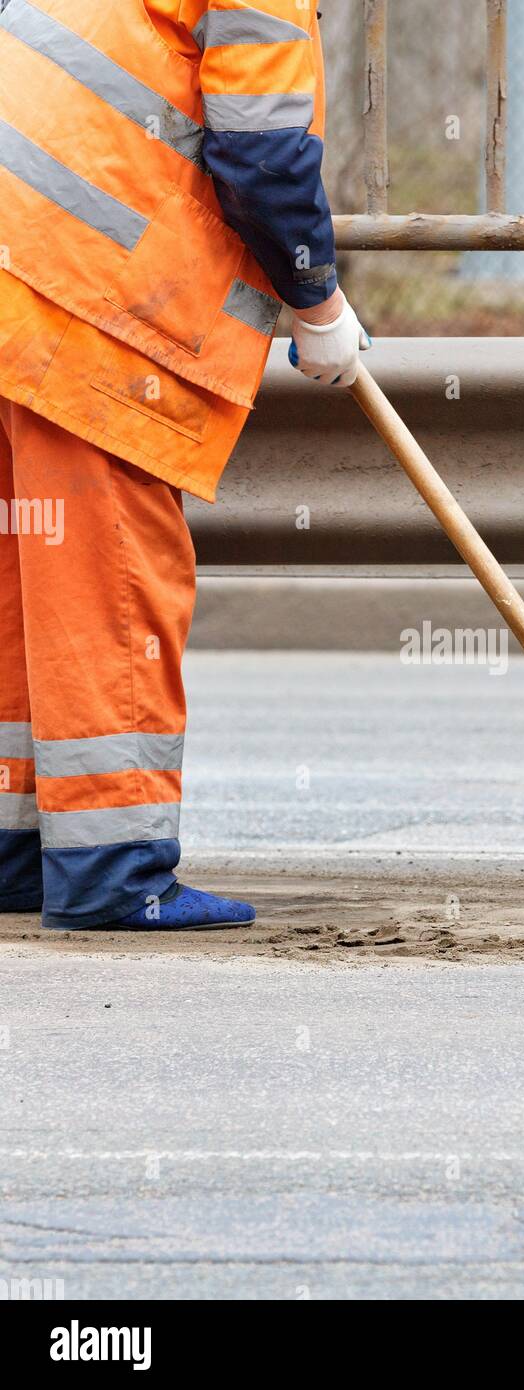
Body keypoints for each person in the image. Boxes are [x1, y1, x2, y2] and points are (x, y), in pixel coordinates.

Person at [0, 0, 368, 929]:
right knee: (109, 583)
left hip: (20, 268)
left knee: (21, 581)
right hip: (87, 295)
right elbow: (261, 153)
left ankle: (15, 851)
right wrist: (316, 301)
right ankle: (114, 871)